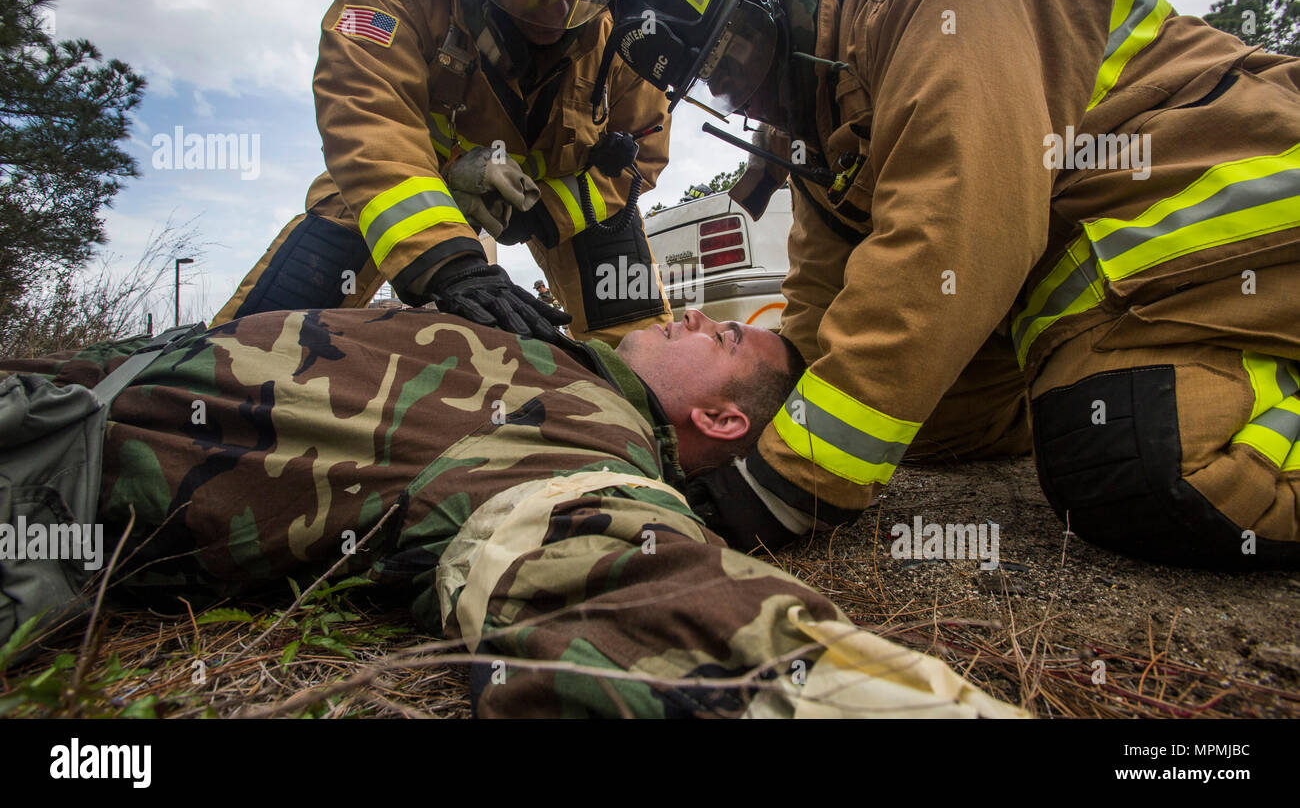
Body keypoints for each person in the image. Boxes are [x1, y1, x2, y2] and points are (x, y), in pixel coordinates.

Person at [593, 0, 1300, 569]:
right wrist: (776, 396)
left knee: (1127, 463)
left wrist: (784, 480)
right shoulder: (817, 123)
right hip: (1109, 268)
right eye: (715, 82)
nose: (739, 96)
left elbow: (950, 232)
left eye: (735, 57)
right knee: (919, 423)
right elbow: (821, 285)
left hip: (1233, 190)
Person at [0, 308, 1023, 718]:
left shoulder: (585, 437)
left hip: (39, 478)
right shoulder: (565, 361)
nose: (695, 310)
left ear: (715, 412)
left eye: (721, 336)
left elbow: (613, 562)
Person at [212, 0, 674, 345]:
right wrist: (450, 263)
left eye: (579, 0)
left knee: (641, 343)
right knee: (297, 291)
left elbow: (640, 151)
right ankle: (212, 381)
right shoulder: (391, 0)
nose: (557, 17)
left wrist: (546, 213)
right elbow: (369, 127)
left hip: (563, 190)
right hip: (415, 178)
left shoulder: (622, 30)